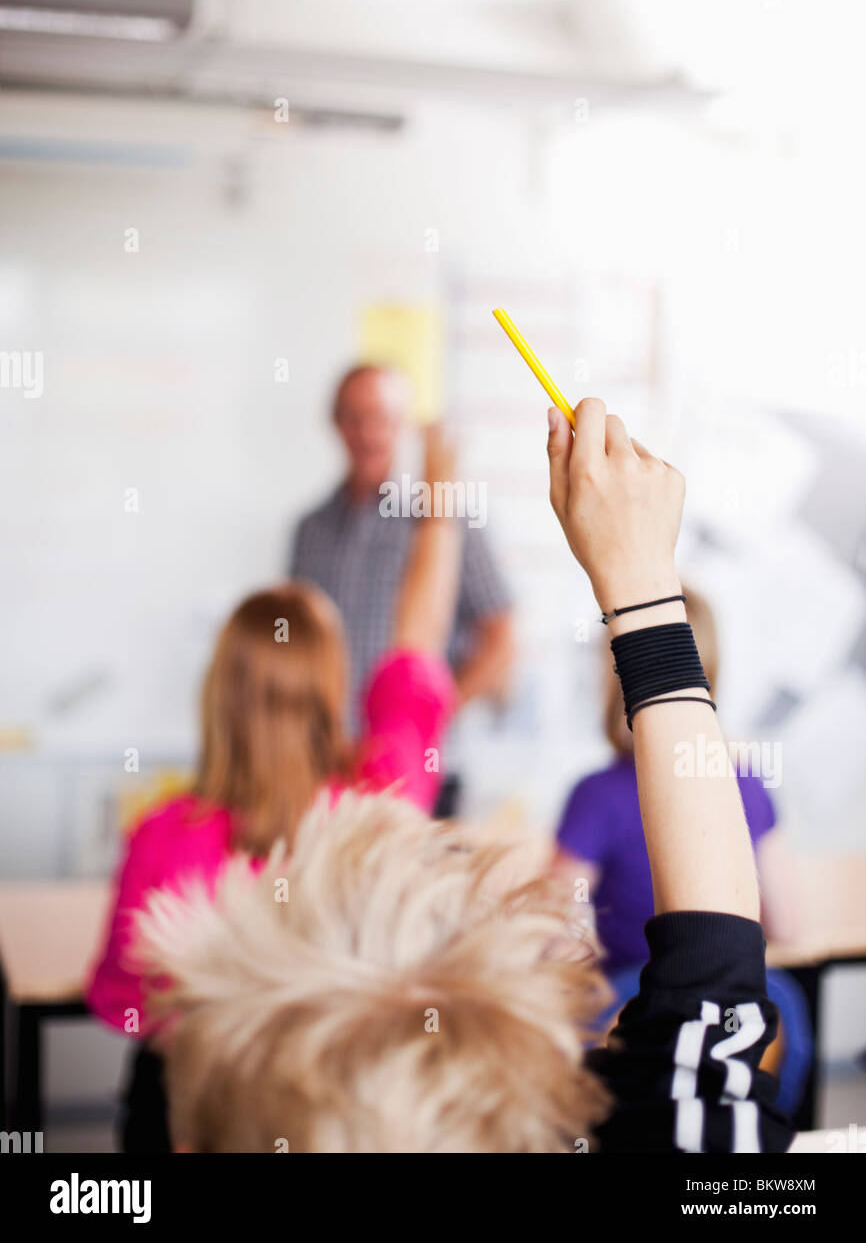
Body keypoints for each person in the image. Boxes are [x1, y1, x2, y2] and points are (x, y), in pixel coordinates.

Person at [134, 398, 795, 1153]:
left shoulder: (171, 831)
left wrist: (639, 588)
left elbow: (709, 979)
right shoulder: (378, 786)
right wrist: (637, 579)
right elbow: (713, 983)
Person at [87, 427, 462, 1151]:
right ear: (332, 686)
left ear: (218, 696)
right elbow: (420, 638)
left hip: (196, 1110)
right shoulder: (382, 796)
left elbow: (127, 1003)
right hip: (332, 1109)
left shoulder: (162, 836)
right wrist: (440, 501)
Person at [554, 586, 813, 1115]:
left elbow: (558, 929)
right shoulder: (746, 781)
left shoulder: (595, 795)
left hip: (636, 992)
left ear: (611, 682)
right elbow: (787, 924)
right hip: (750, 1001)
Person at [289, 365, 515, 743]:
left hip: (418, 754)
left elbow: (501, 637)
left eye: (380, 418)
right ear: (335, 423)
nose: (367, 434)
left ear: (401, 424)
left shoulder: (445, 517)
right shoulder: (310, 530)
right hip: (330, 752)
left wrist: (428, 717)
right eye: (354, 418)